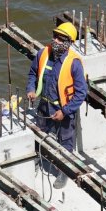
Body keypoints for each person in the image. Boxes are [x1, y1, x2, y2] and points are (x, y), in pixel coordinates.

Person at [26, 21, 88, 188]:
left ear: (69, 42)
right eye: (55, 37)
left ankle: (63, 172)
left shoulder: (74, 63)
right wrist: (31, 89)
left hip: (64, 110)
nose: (56, 41)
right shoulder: (43, 53)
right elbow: (32, 73)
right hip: (44, 106)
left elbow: (81, 93)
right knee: (40, 135)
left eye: (61, 39)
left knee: (65, 142)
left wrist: (65, 111)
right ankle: (37, 161)